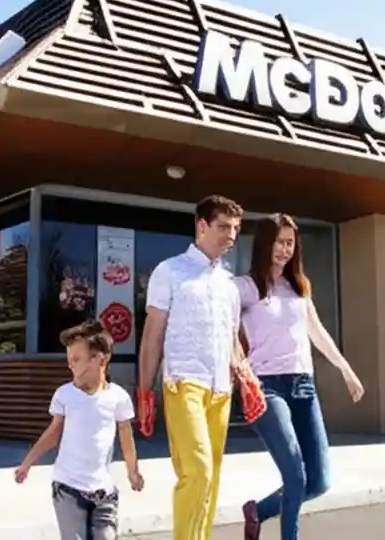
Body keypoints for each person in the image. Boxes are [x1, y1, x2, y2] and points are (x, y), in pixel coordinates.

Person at [236, 213, 365, 540]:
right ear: (265, 243)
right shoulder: (245, 287)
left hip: (303, 386)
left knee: (318, 481)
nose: (284, 249)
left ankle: (258, 511)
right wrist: (239, 368)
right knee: (295, 473)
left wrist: (345, 369)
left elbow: (316, 331)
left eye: (289, 243)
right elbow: (223, 330)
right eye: (278, 242)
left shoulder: (299, 288)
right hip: (266, 386)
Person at [136, 194, 253, 540]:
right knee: (197, 471)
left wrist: (248, 379)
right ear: (201, 226)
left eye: (235, 228)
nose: (231, 235)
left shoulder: (229, 285)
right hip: (184, 383)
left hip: (221, 390)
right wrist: (144, 391)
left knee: (212, 475)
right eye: (223, 227)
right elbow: (151, 336)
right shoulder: (170, 271)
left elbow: (232, 340)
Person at [15, 320, 144, 540]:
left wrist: (133, 471)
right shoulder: (65, 395)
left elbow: (126, 439)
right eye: (69, 360)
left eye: (76, 359)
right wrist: (27, 463)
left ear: (101, 358)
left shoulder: (118, 397)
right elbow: (52, 434)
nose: (71, 365)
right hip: (68, 489)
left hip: (104, 493)